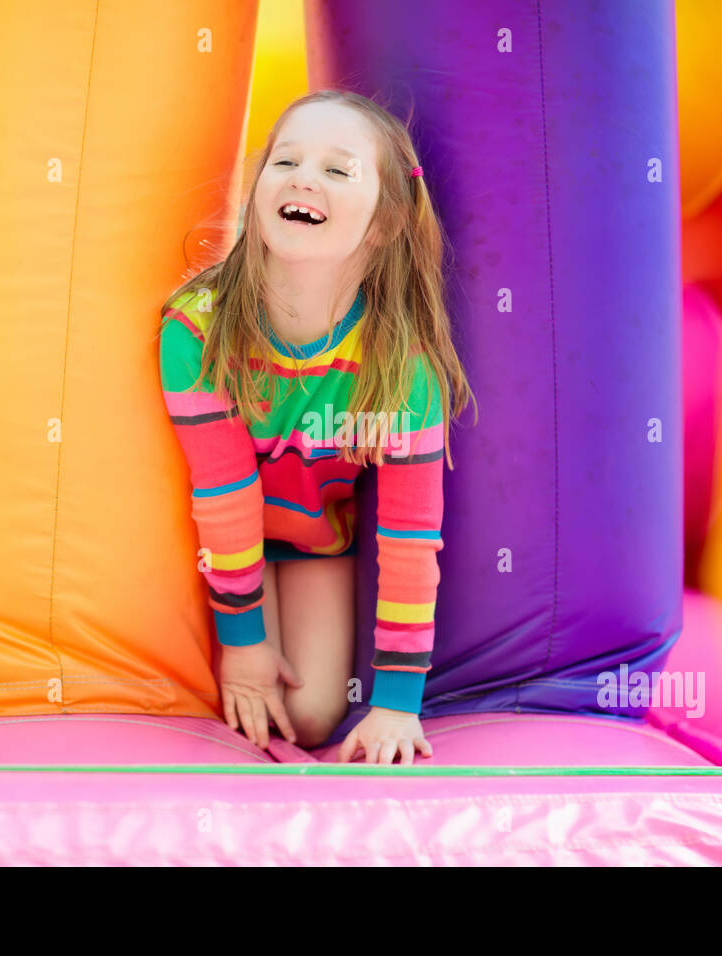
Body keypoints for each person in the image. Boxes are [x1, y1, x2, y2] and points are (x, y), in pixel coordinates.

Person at [158, 90, 474, 764]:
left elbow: (412, 538)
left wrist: (395, 701)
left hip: (310, 536)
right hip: (212, 528)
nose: (304, 177)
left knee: (309, 712)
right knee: (240, 696)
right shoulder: (197, 326)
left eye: (338, 171)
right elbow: (223, 490)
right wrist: (244, 646)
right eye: (286, 160)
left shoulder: (401, 366)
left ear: (386, 224)